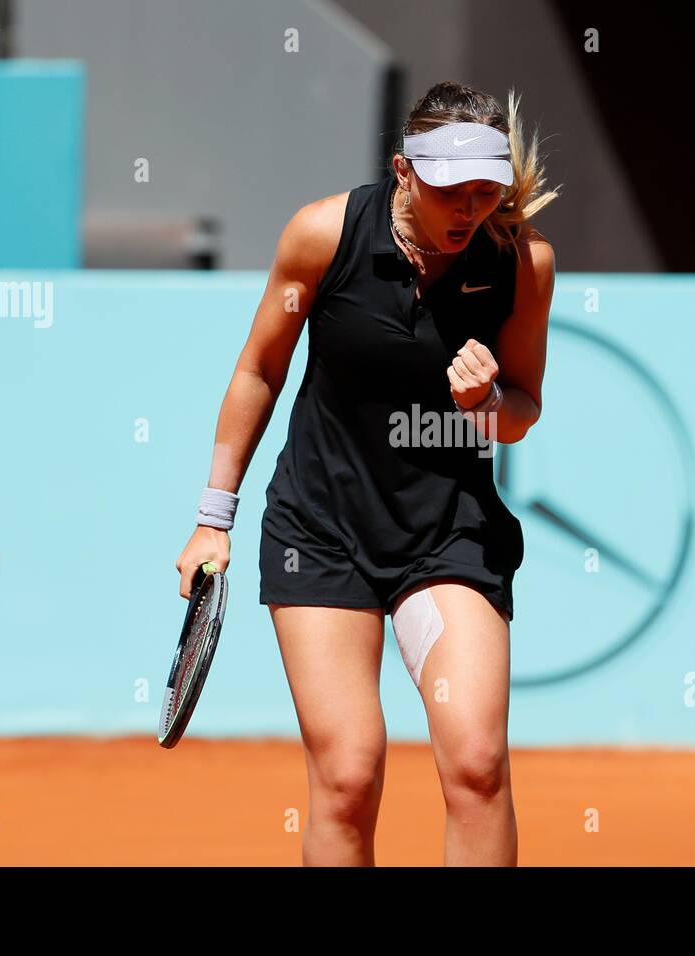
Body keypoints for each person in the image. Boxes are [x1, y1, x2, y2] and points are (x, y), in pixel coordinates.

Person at [175, 81, 558, 866]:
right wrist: (214, 516)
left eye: (485, 191)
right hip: (320, 532)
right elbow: (259, 371)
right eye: (451, 190)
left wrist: (485, 401)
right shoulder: (322, 234)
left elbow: (522, 412)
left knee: (478, 767)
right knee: (348, 778)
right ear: (403, 171)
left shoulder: (522, 263)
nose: (468, 209)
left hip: (450, 534)